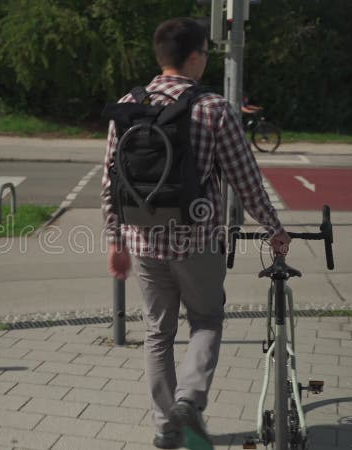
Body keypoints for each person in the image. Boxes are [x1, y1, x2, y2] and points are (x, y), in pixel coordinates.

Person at [101, 18, 290, 450]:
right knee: (205, 320)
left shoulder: (128, 103)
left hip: (143, 241)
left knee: (157, 332)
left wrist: (114, 240)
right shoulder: (213, 108)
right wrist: (274, 229)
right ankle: (189, 401)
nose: (208, 57)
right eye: (205, 51)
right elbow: (246, 182)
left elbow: (110, 179)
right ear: (192, 57)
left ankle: (165, 427)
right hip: (196, 241)